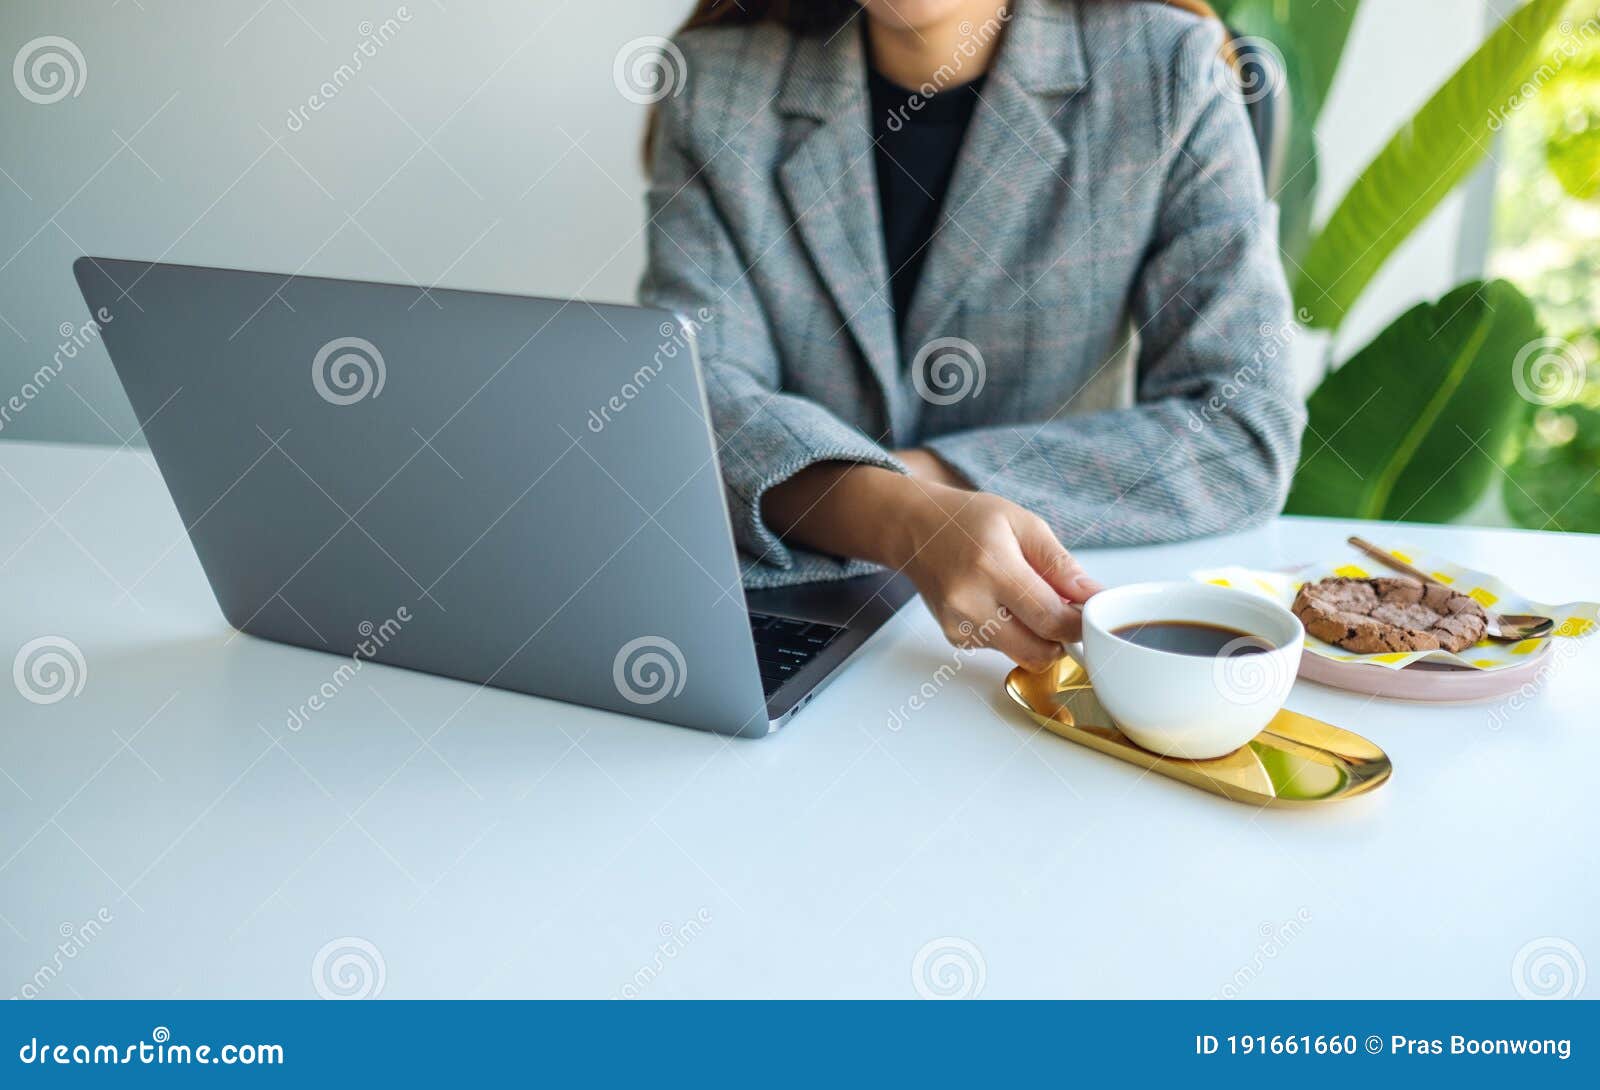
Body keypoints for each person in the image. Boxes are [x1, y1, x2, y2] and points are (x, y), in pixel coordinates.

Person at [639, 0, 1304, 671]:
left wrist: (913, 493)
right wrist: (900, 517)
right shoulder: (716, 85)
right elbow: (695, 399)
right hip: (791, 615)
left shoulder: (1166, 71)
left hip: (1046, 639)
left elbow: (1242, 432)